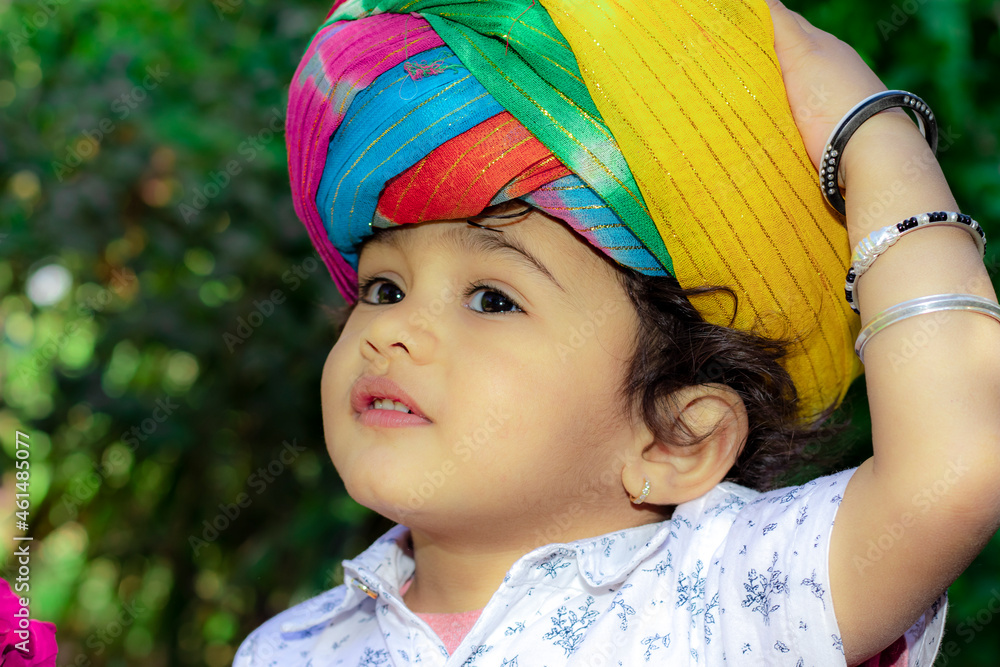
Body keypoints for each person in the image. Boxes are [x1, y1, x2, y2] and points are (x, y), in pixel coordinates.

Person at [234, 0, 1000, 664]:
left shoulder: (723, 598)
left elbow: (953, 471)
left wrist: (868, 129)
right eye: (383, 287)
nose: (393, 328)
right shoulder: (286, 649)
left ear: (676, 439)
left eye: (492, 299)